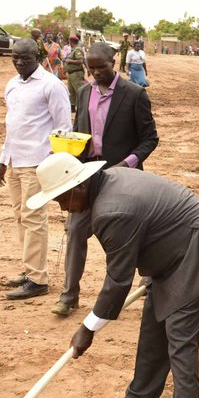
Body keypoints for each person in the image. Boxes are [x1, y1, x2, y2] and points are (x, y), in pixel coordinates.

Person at [27, 154, 199, 398]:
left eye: (61, 199)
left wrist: (88, 327)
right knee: (154, 328)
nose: (62, 208)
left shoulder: (112, 210)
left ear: (80, 187)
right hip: (171, 253)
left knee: (179, 339)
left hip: (198, 250)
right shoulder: (106, 187)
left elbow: (117, 280)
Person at [56, 43, 159, 316]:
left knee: (128, 235)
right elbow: (80, 133)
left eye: (102, 66)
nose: (97, 72)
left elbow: (150, 139)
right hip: (87, 177)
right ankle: (69, 295)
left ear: (114, 62)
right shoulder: (84, 91)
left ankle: (149, 282)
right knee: (76, 230)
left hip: (123, 178)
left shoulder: (134, 94)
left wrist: (126, 164)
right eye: (92, 68)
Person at [0, 38, 71, 300]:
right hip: (16, 161)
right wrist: (3, 160)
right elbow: (12, 125)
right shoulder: (11, 85)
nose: (18, 63)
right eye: (14, 58)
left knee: (34, 218)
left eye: (24, 58)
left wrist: (51, 162)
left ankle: (38, 279)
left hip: (38, 162)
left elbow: (63, 128)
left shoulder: (52, 85)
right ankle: (30, 270)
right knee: (20, 216)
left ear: (37, 57)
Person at [63, 34, 88, 110]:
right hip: (71, 74)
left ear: (71, 42)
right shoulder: (73, 50)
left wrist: (69, 61)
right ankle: (72, 107)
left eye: (69, 42)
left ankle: (83, 108)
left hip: (76, 73)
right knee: (71, 91)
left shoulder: (78, 49)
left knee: (79, 91)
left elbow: (80, 61)